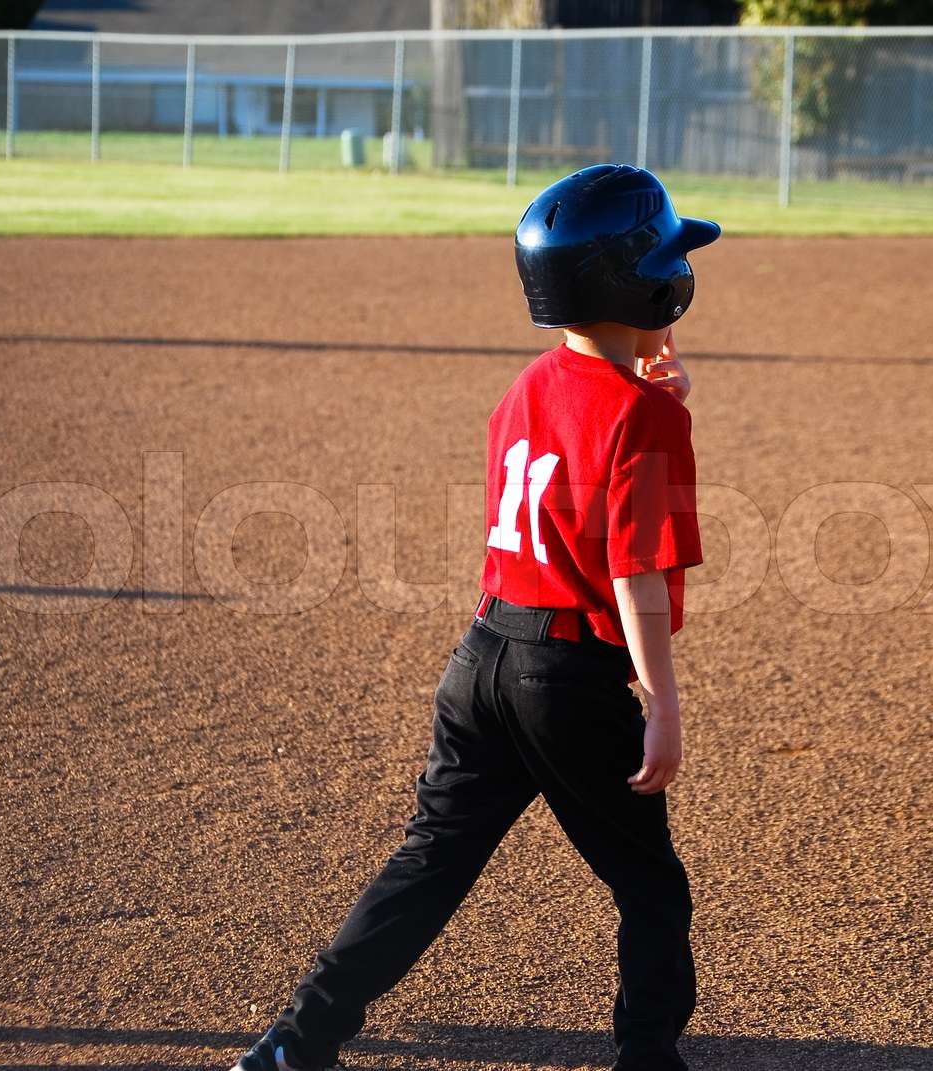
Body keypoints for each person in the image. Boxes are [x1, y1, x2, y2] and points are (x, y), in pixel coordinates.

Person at [231, 164, 717, 1071]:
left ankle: (296, 1041)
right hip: (568, 679)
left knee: (429, 864)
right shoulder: (644, 414)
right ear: (638, 283)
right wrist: (661, 700)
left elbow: (578, 456)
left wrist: (658, 401)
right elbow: (634, 572)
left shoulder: (528, 385)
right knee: (651, 887)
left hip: (483, 657)